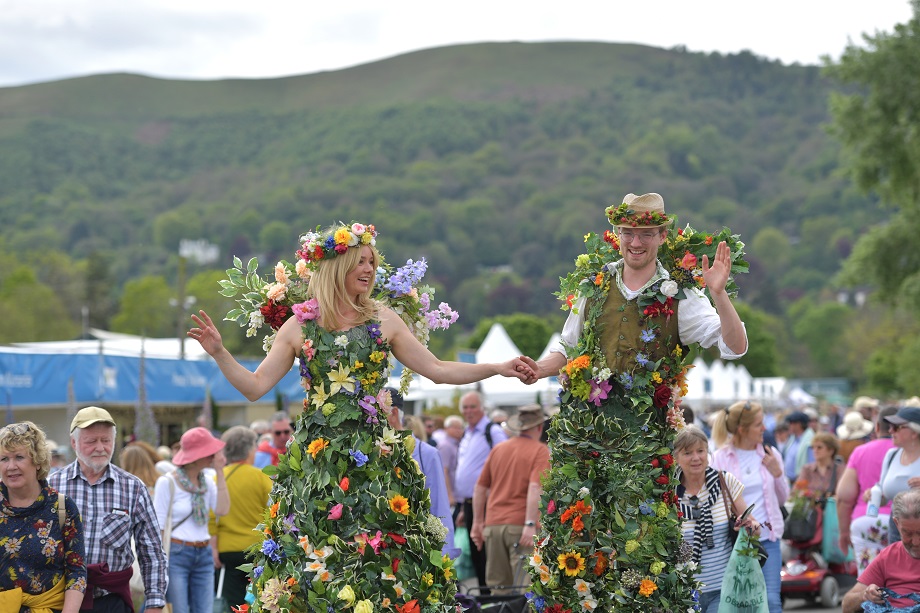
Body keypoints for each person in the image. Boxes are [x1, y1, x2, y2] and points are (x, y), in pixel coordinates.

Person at [187, 221, 530, 610]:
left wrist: (496, 367)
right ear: (338, 266)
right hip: (317, 463)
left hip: (377, 458)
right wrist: (218, 352)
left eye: (372, 261)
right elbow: (254, 387)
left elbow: (437, 369)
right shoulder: (300, 324)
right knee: (315, 557)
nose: (369, 269)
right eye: (360, 261)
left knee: (385, 554)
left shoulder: (383, 318)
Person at [519, 192, 748, 611]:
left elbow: (734, 346)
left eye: (645, 233)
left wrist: (720, 294)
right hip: (581, 437)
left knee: (641, 552)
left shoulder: (680, 293)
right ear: (617, 234)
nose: (636, 242)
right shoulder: (597, 282)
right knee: (573, 544)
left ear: (662, 235)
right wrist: (539, 367)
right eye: (628, 233)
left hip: (643, 446)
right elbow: (568, 347)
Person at [50, 406, 168, 613]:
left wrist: (155, 603)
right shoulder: (52, 486)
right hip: (59, 601)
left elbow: (152, 551)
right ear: (74, 443)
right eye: (91, 441)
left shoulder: (133, 488)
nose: (100, 448)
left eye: (106, 440)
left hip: (111, 601)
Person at [0, 422, 86, 613]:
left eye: (19, 457)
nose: (10, 466)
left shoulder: (62, 507)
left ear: (37, 461)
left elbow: (76, 571)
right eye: (4, 459)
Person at [710, 401, 788, 613]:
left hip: (768, 538)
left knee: (772, 600)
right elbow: (714, 500)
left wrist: (777, 473)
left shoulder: (769, 454)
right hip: (735, 542)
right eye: (758, 424)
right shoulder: (719, 458)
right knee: (739, 601)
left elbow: (783, 498)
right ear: (742, 429)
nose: (765, 428)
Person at [674, 425, 759, 613]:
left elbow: (753, 525)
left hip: (725, 589)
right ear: (676, 458)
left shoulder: (725, 482)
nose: (696, 458)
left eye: (700, 451)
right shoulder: (668, 494)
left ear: (707, 452)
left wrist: (749, 526)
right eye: (688, 453)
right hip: (684, 594)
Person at [470, 404, 551, 593]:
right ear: (539, 427)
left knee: (499, 588)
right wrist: (531, 524)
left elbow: (480, 488)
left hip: (493, 527)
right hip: (521, 528)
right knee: (526, 589)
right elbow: (535, 487)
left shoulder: (499, 449)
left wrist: (477, 523)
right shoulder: (540, 451)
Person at [153, 426, 229, 613]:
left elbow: (222, 509)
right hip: (177, 553)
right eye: (209, 451)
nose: (214, 454)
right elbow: (158, 525)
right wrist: (158, 564)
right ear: (197, 455)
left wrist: (220, 472)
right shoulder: (167, 482)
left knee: (205, 610)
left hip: (204, 553)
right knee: (179, 610)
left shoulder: (207, 482)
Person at [383, 387, 458, 559]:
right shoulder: (373, 451)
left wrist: (444, 556)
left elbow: (440, 507)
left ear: (394, 413)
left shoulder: (427, 454)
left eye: (377, 413)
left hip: (416, 551)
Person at [208, 426, 273, 610]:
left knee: (231, 603)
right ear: (249, 449)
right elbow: (272, 512)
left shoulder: (218, 479)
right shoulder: (261, 477)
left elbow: (211, 515)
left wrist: (213, 546)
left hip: (226, 550)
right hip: (256, 550)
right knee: (257, 601)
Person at [454, 390, 509, 590]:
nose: (469, 411)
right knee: (476, 552)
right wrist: (462, 507)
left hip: (487, 502)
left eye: (473, 407)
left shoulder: (491, 431)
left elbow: (504, 463)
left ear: (482, 408)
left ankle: (492, 596)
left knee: (487, 552)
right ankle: (484, 596)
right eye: (465, 408)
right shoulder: (467, 433)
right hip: (469, 503)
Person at [837, 405, 898, 574]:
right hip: (903, 523)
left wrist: (843, 531)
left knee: (868, 580)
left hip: (865, 521)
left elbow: (844, 497)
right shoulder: (909, 452)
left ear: (877, 427)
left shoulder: (860, 452)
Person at [841, 489, 920, 613]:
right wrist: (865, 595)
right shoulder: (888, 556)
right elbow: (846, 605)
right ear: (896, 524)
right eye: (907, 533)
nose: (916, 542)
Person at [874, 406, 920, 545]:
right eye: (890, 426)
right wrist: (873, 494)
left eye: (896, 427)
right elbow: (883, 495)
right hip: (897, 529)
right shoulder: (891, 455)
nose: (890, 431)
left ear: (915, 432)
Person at [796, 431, 844, 499]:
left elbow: (842, 493)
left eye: (819, 447)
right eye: (813, 447)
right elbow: (796, 491)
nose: (815, 450)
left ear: (831, 450)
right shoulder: (807, 469)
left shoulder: (839, 469)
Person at [437, 415, 464, 506]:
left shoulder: (460, 444)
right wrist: (449, 495)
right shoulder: (445, 446)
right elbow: (444, 471)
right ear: (446, 429)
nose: (459, 430)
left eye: (460, 428)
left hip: (459, 495)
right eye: (455, 427)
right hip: (452, 497)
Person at [783, 411, 815, 484]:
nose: (789, 425)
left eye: (792, 423)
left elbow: (811, 464)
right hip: (789, 481)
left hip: (801, 482)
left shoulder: (810, 441)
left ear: (799, 424)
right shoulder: (792, 439)